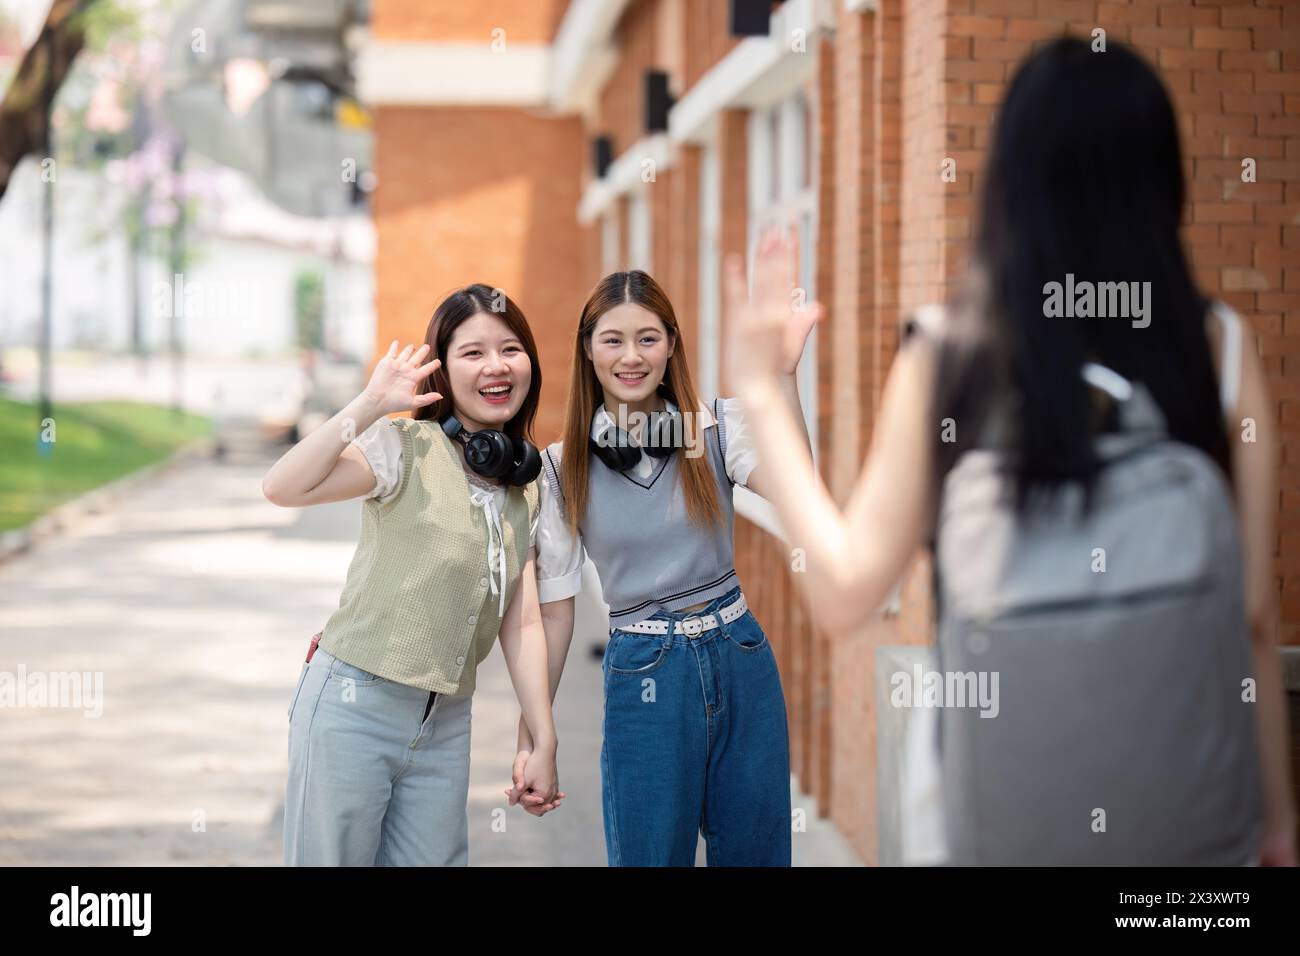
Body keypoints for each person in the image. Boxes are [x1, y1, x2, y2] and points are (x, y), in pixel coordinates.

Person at [723, 37, 1295, 866]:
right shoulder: (1219, 349)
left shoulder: (949, 355)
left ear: (1007, 187)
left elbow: (846, 590)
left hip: (986, 826)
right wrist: (1275, 821)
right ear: (1163, 180)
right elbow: (1250, 616)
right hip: (1189, 838)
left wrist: (767, 393)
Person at [509, 268, 818, 866]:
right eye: (613, 339)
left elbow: (799, 491)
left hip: (741, 659)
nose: (632, 356)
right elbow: (551, 617)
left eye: (648, 338)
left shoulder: (718, 429)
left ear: (672, 344)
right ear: (588, 349)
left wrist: (782, 378)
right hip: (645, 674)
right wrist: (534, 742)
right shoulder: (558, 469)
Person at [263, 284, 563, 866]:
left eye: (510, 349)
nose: (496, 366)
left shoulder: (527, 483)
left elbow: (523, 620)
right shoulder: (403, 448)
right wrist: (370, 404)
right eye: (472, 353)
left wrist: (542, 737)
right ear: (443, 373)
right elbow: (283, 486)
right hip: (355, 704)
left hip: (445, 720)